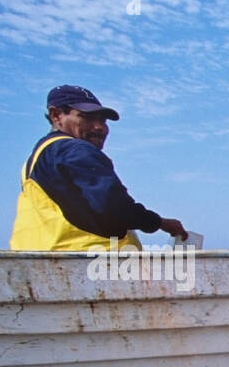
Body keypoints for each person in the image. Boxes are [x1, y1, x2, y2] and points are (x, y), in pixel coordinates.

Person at [10, 85, 187, 251]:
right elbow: (116, 207)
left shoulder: (37, 158)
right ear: (56, 115)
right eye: (87, 117)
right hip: (90, 265)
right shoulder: (75, 149)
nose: (99, 127)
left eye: (103, 120)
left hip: (40, 262)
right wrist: (161, 223)